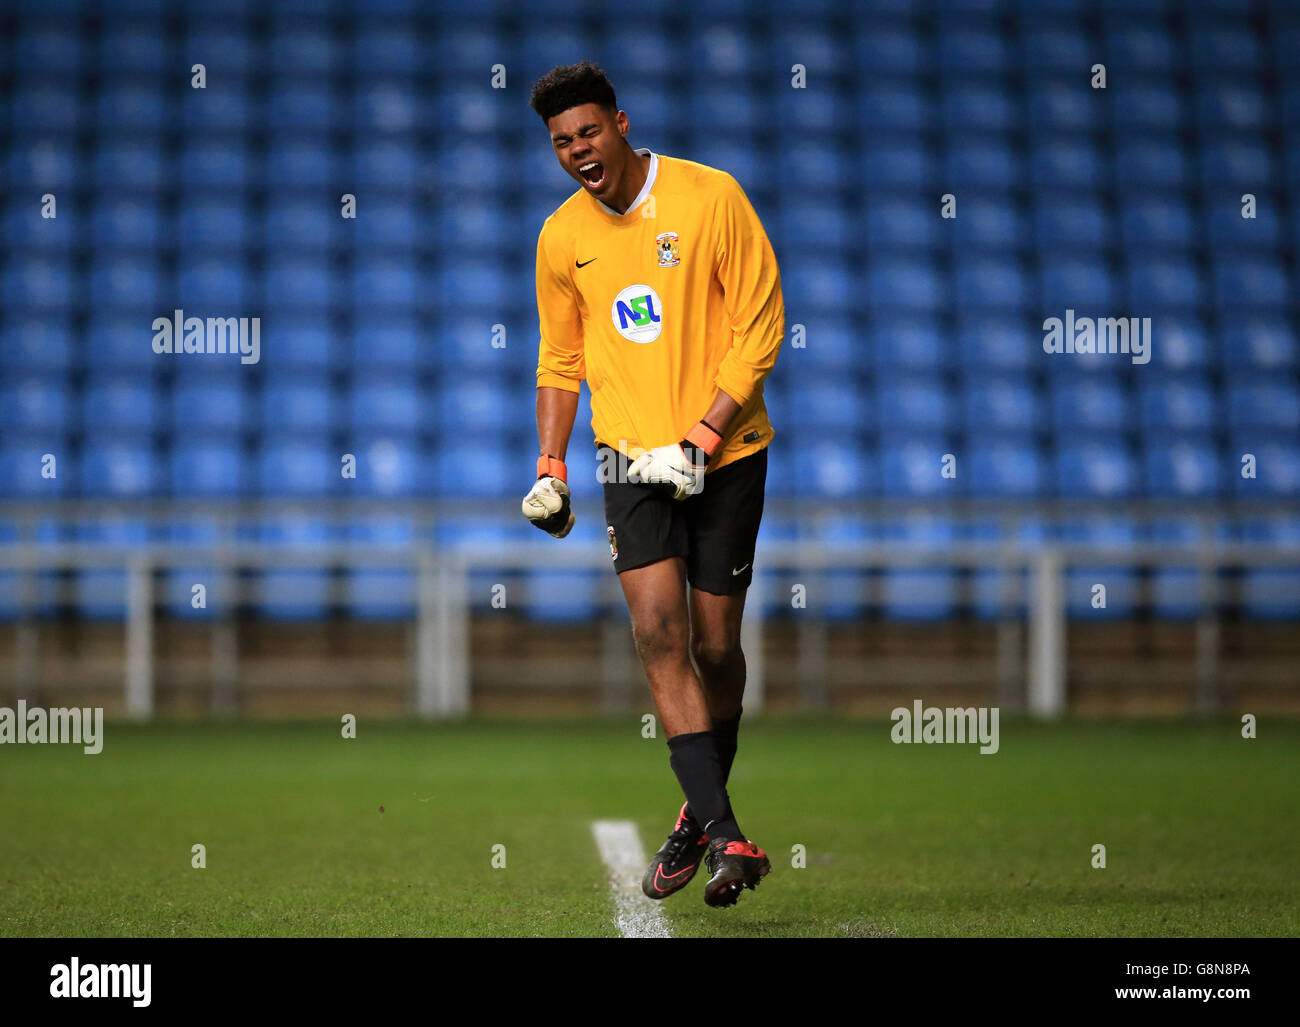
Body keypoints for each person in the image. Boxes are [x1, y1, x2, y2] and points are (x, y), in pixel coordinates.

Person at [521, 62, 784, 908]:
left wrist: (702, 435)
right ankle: (725, 832)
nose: (577, 152)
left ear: (622, 124)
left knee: (715, 648)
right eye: (562, 142)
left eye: (588, 132)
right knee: (659, 635)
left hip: (728, 451)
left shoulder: (712, 199)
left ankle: (692, 821)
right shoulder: (562, 237)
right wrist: (550, 467)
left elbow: (760, 326)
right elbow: (560, 360)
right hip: (628, 460)